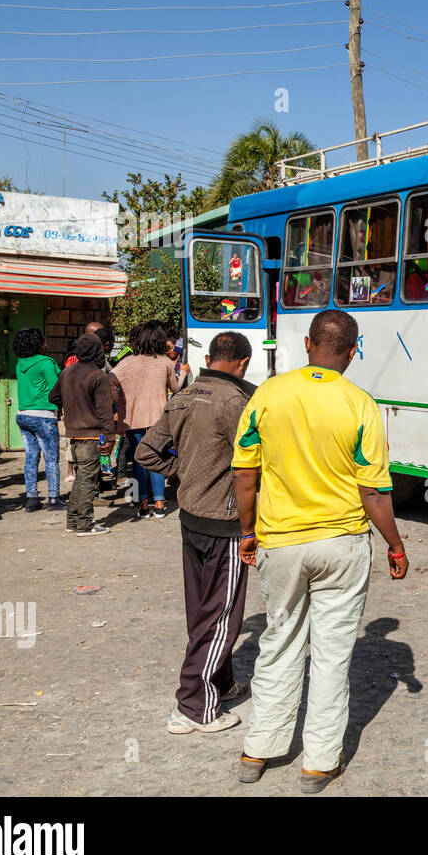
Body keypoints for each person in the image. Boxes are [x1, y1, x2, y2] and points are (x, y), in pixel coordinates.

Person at [231, 309, 409, 793]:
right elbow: (374, 492)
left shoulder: (268, 394)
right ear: (353, 351)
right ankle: (319, 763)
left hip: (281, 541)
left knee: (280, 640)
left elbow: (245, 474)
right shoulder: (361, 404)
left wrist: (248, 532)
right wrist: (395, 545)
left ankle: (258, 751)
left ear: (308, 344)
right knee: (332, 655)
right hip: (342, 544)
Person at [135, 331, 257, 735]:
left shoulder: (184, 395)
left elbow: (146, 453)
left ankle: (219, 683)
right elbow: (255, 463)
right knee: (222, 615)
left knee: (202, 610)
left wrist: (183, 475)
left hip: (190, 518)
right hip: (224, 524)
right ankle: (193, 705)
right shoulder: (236, 402)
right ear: (242, 362)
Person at [113, 322, 187, 519]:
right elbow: (176, 387)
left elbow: (109, 381)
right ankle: (160, 504)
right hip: (158, 418)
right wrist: (185, 371)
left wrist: (118, 400)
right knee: (157, 457)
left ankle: (143, 504)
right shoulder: (164, 362)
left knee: (139, 459)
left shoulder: (126, 363)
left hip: (133, 417)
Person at [49, 334, 114, 536]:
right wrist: (110, 438)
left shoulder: (66, 373)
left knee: (80, 479)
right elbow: (105, 411)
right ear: (98, 350)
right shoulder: (97, 375)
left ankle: (73, 521)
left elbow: (53, 397)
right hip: (91, 434)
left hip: (73, 433)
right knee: (87, 480)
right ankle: (85, 524)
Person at [12, 328, 64, 513]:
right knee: (51, 459)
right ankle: (53, 498)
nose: (46, 343)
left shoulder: (20, 364)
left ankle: (32, 498)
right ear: (38, 343)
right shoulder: (46, 363)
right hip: (43, 415)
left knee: (31, 458)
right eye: (44, 340)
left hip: (23, 414)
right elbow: (56, 389)